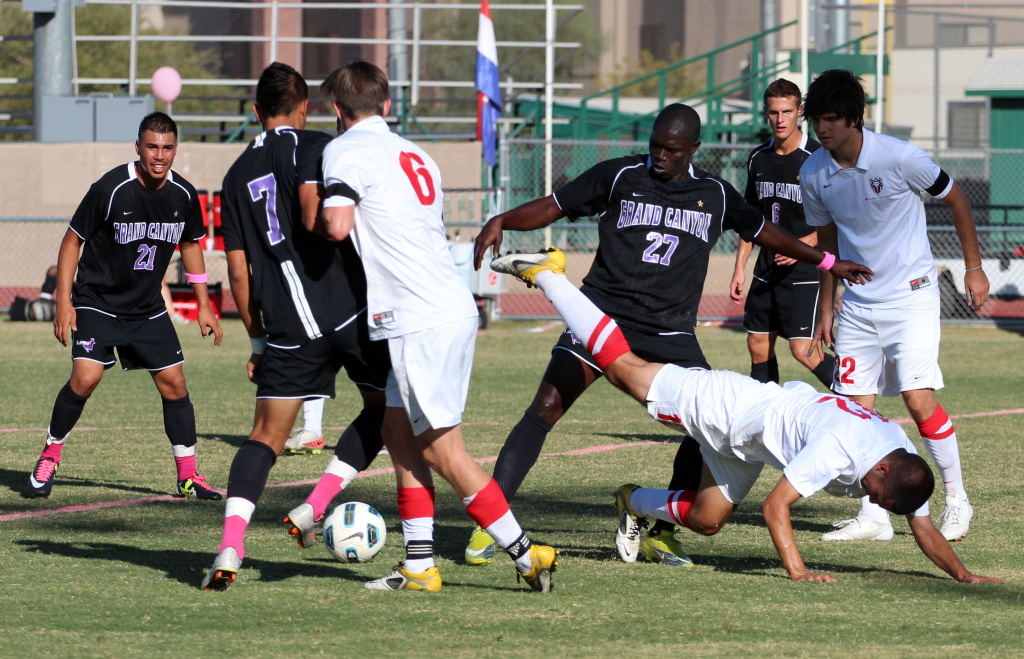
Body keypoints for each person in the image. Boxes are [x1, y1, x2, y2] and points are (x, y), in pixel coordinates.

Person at [469, 102, 872, 567]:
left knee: (707, 428)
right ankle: (490, 524)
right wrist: (503, 220)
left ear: (693, 150)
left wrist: (827, 262)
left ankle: (659, 529)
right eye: (656, 146)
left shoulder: (715, 194)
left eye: (672, 150)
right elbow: (555, 205)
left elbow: (765, 232)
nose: (660, 155)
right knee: (543, 409)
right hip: (602, 317)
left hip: (670, 332)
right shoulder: (619, 176)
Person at [491, 248, 1000, 585]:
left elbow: (924, 528)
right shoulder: (842, 449)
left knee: (708, 522)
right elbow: (778, 508)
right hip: (729, 408)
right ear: (884, 469)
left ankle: (633, 501)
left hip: (750, 445)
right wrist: (798, 572)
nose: (870, 499)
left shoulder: (899, 460)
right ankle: (550, 277)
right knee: (624, 369)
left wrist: (966, 576)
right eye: (875, 493)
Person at [318, 59, 558, 593]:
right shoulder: (415, 152)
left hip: (416, 318)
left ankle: (525, 553)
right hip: (443, 304)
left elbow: (336, 225)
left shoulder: (344, 149)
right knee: (396, 431)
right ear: (386, 105)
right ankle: (420, 565)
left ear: (337, 111)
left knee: (444, 452)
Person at [201, 62, 391, 591]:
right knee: (386, 410)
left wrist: (258, 337)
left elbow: (237, 268)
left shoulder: (235, 176)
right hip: (348, 310)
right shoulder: (319, 146)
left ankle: (231, 545)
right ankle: (316, 503)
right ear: (306, 107)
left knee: (264, 438)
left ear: (257, 112)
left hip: (286, 325)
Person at [801, 70, 990, 543]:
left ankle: (958, 499)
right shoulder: (812, 172)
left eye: (830, 119)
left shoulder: (900, 156)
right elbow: (827, 243)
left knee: (917, 397)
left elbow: (957, 197)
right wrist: (827, 307)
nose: (821, 129)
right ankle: (874, 517)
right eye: (816, 120)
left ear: (852, 119)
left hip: (912, 296)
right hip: (859, 304)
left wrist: (974, 267)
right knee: (853, 412)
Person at [28, 111, 224, 500]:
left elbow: (190, 246)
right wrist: (65, 302)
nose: (159, 155)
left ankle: (188, 476)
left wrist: (204, 305)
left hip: (146, 307)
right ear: (138, 147)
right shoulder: (110, 188)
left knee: (175, 385)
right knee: (85, 378)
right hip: (97, 302)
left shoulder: (183, 195)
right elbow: (72, 241)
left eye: (167, 148)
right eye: (152, 146)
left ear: (175, 150)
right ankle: (50, 454)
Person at [729, 79, 833, 388]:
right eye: (774, 112)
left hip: (806, 267)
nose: (780, 119)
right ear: (765, 113)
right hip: (766, 266)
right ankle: (765, 421)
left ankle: (860, 403)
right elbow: (751, 220)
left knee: (804, 350)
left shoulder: (818, 157)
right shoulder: (758, 158)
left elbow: (837, 218)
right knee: (758, 345)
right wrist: (739, 269)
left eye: (787, 111)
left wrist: (802, 246)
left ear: (800, 111)